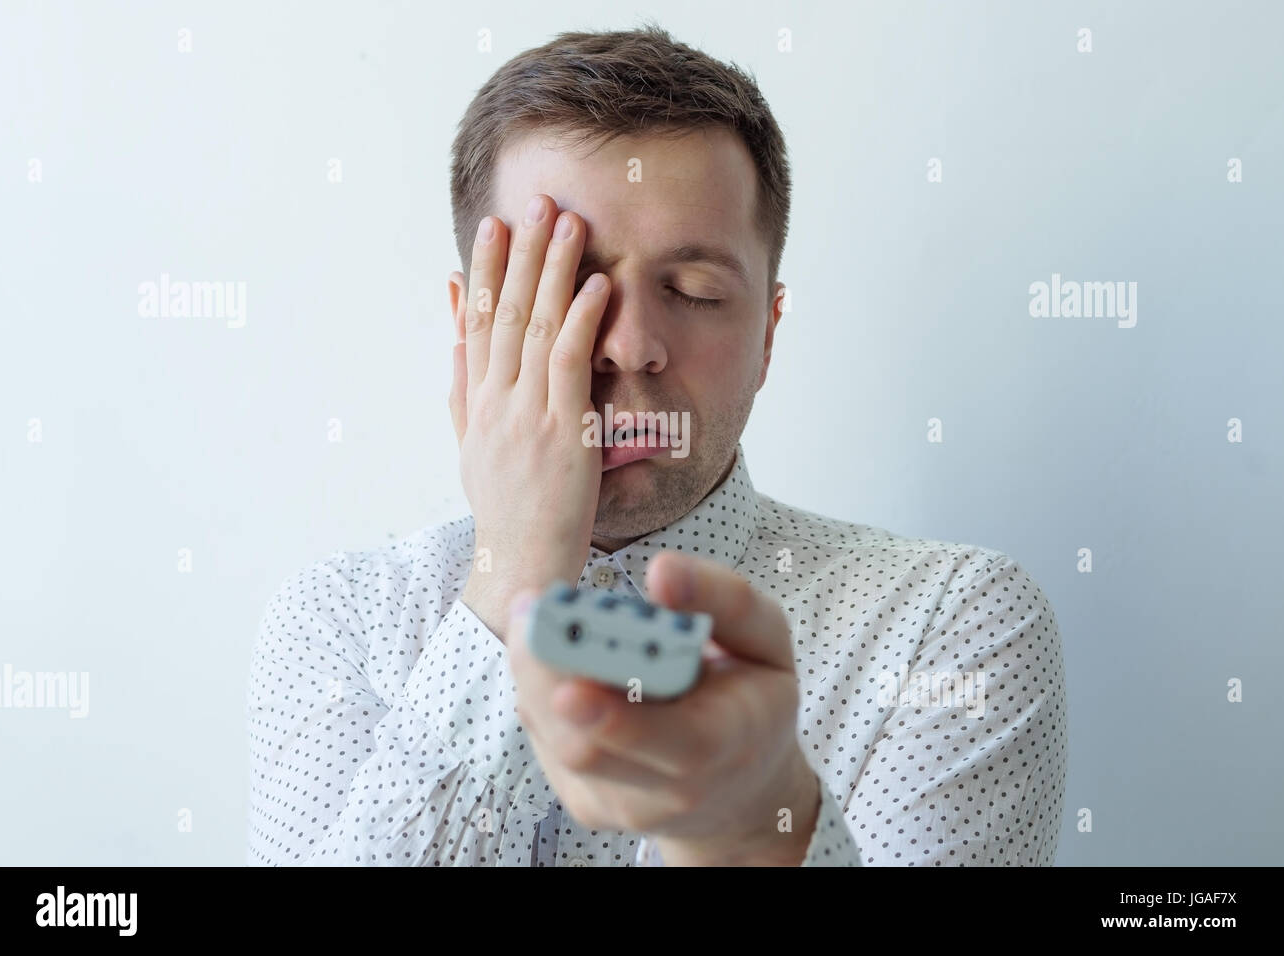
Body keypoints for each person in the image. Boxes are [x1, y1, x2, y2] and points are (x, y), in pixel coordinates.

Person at [246, 23, 1067, 866]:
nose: (630, 343)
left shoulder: (948, 624)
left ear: (768, 338)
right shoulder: (337, 624)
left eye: (694, 289)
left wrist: (755, 827)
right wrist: (520, 575)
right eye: (565, 286)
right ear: (471, 325)